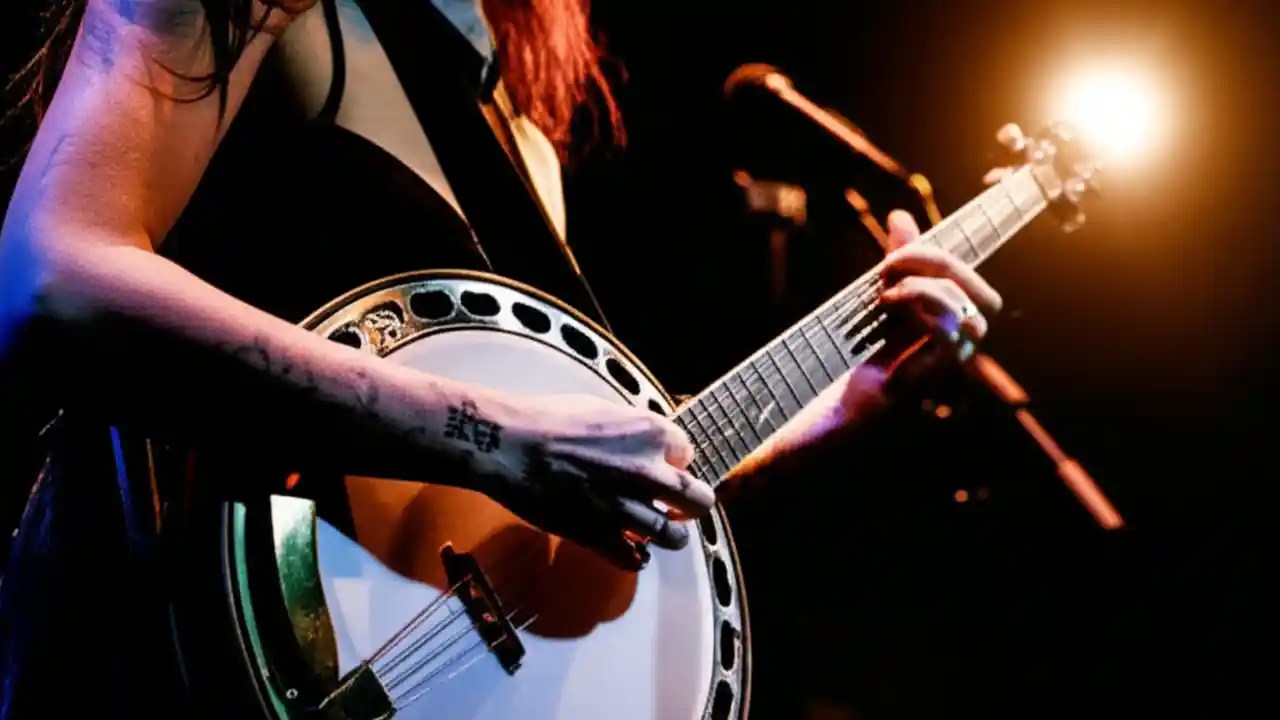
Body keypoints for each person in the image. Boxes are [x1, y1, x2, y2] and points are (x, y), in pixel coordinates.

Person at [0, 0, 1003, 715]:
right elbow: (54, 284)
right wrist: (495, 439)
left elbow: (581, 477)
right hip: (156, 646)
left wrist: (840, 406)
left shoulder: (519, 141)